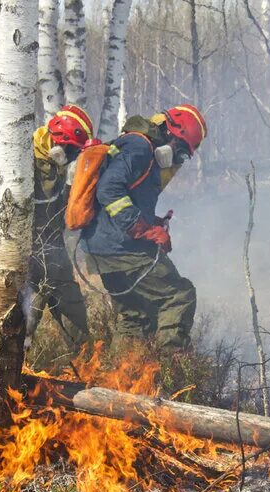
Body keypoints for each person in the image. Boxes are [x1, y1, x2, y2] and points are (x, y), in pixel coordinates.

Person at [80, 105, 207, 351]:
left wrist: (152, 222)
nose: (177, 159)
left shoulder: (135, 145)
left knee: (135, 317)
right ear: (170, 133)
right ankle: (171, 365)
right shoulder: (139, 147)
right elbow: (108, 190)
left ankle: (122, 372)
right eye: (180, 150)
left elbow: (124, 197)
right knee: (179, 296)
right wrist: (144, 230)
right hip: (122, 249)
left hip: (101, 248)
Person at [23, 105, 95, 362]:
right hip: (24, 249)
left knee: (72, 304)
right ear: (59, 141)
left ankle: (88, 362)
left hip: (53, 245)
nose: (73, 157)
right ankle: (14, 364)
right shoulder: (23, 158)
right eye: (72, 151)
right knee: (24, 314)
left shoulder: (56, 162)